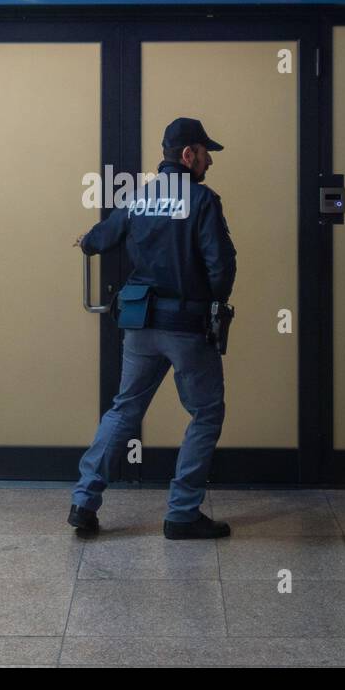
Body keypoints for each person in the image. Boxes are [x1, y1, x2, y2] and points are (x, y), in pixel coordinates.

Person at [68, 117, 237, 540]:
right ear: (188, 155)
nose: (209, 163)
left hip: (140, 325)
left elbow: (97, 239)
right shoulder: (202, 200)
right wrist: (212, 301)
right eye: (205, 153)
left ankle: (84, 503)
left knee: (124, 409)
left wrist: (85, 241)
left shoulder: (140, 198)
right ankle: (181, 513)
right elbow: (222, 267)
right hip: (186, 327)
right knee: (206, 412)